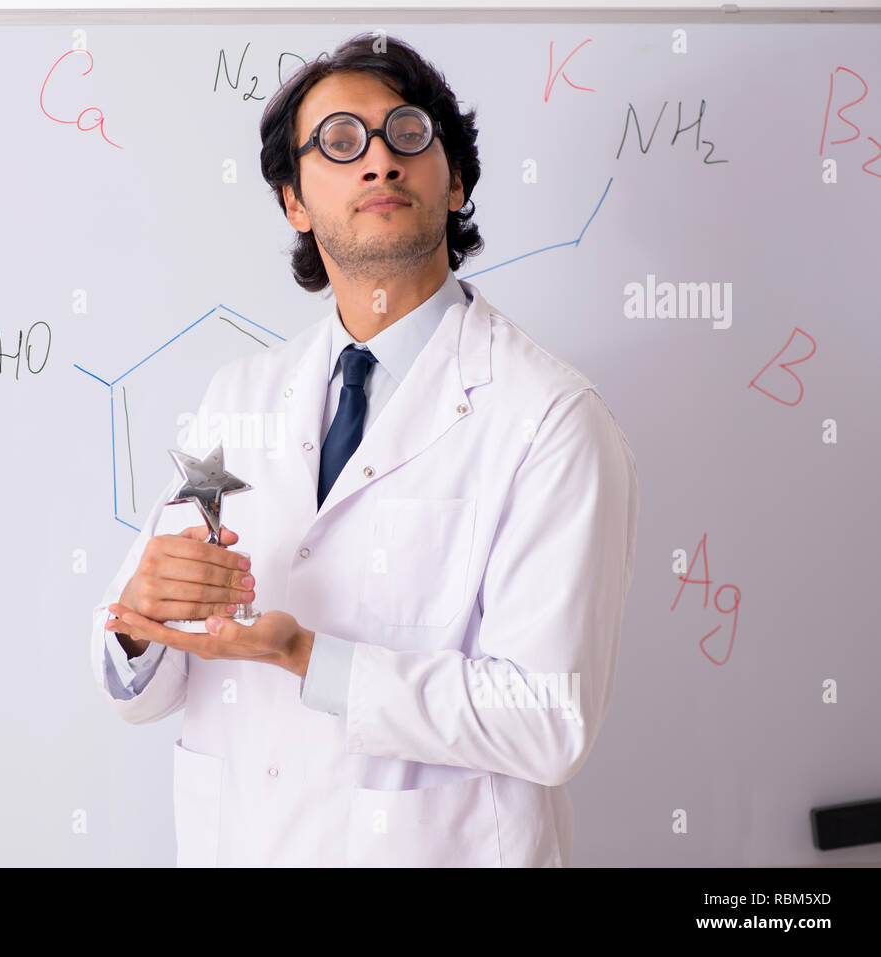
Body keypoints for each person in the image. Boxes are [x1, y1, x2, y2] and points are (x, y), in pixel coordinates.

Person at [89, 32, 640, 867]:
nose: (379, 162)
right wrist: (142, 622)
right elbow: (138, 688)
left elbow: (549, 721)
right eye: (340, 143)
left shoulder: (548, 417)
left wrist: (305, 656)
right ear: (295, 203)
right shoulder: (236, 399)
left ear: (454, 182)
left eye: (408, 134)